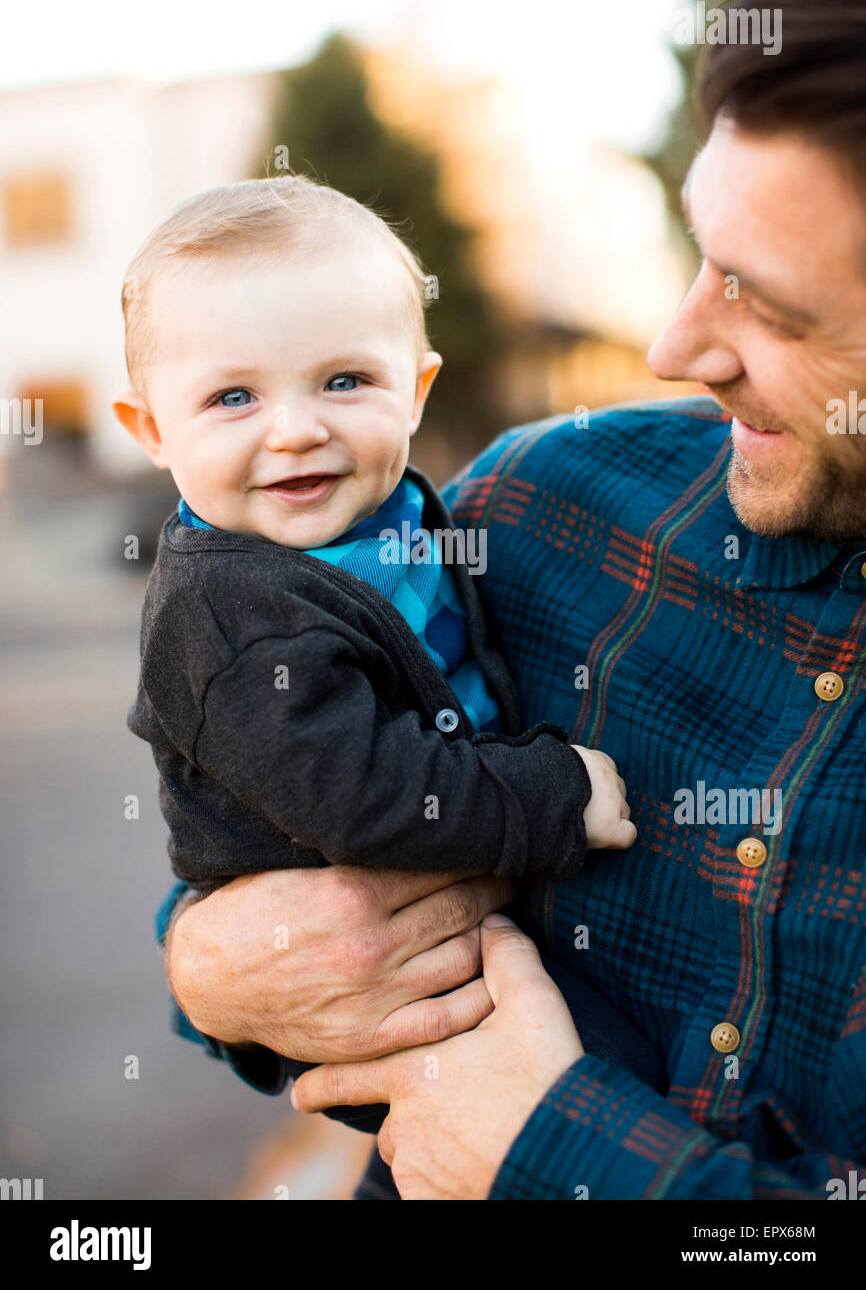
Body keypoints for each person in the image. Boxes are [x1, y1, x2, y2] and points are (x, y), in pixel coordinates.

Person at [160, 0, 866, 1199]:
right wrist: (207, 960)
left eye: (773, 309)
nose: (672, 344)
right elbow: (280, 789)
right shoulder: (549, 502)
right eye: (702, 256)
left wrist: (549, 1153)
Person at [113, 177, 658, 1152]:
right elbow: (362, 793)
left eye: (343, 381)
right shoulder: (228, 612)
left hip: (456, 893)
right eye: (232, 396)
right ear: (153, 430)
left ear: (416, 387)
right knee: (611, 1075)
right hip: (382, 983)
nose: (295, 428)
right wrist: (549, 794)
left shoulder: (390, 515)